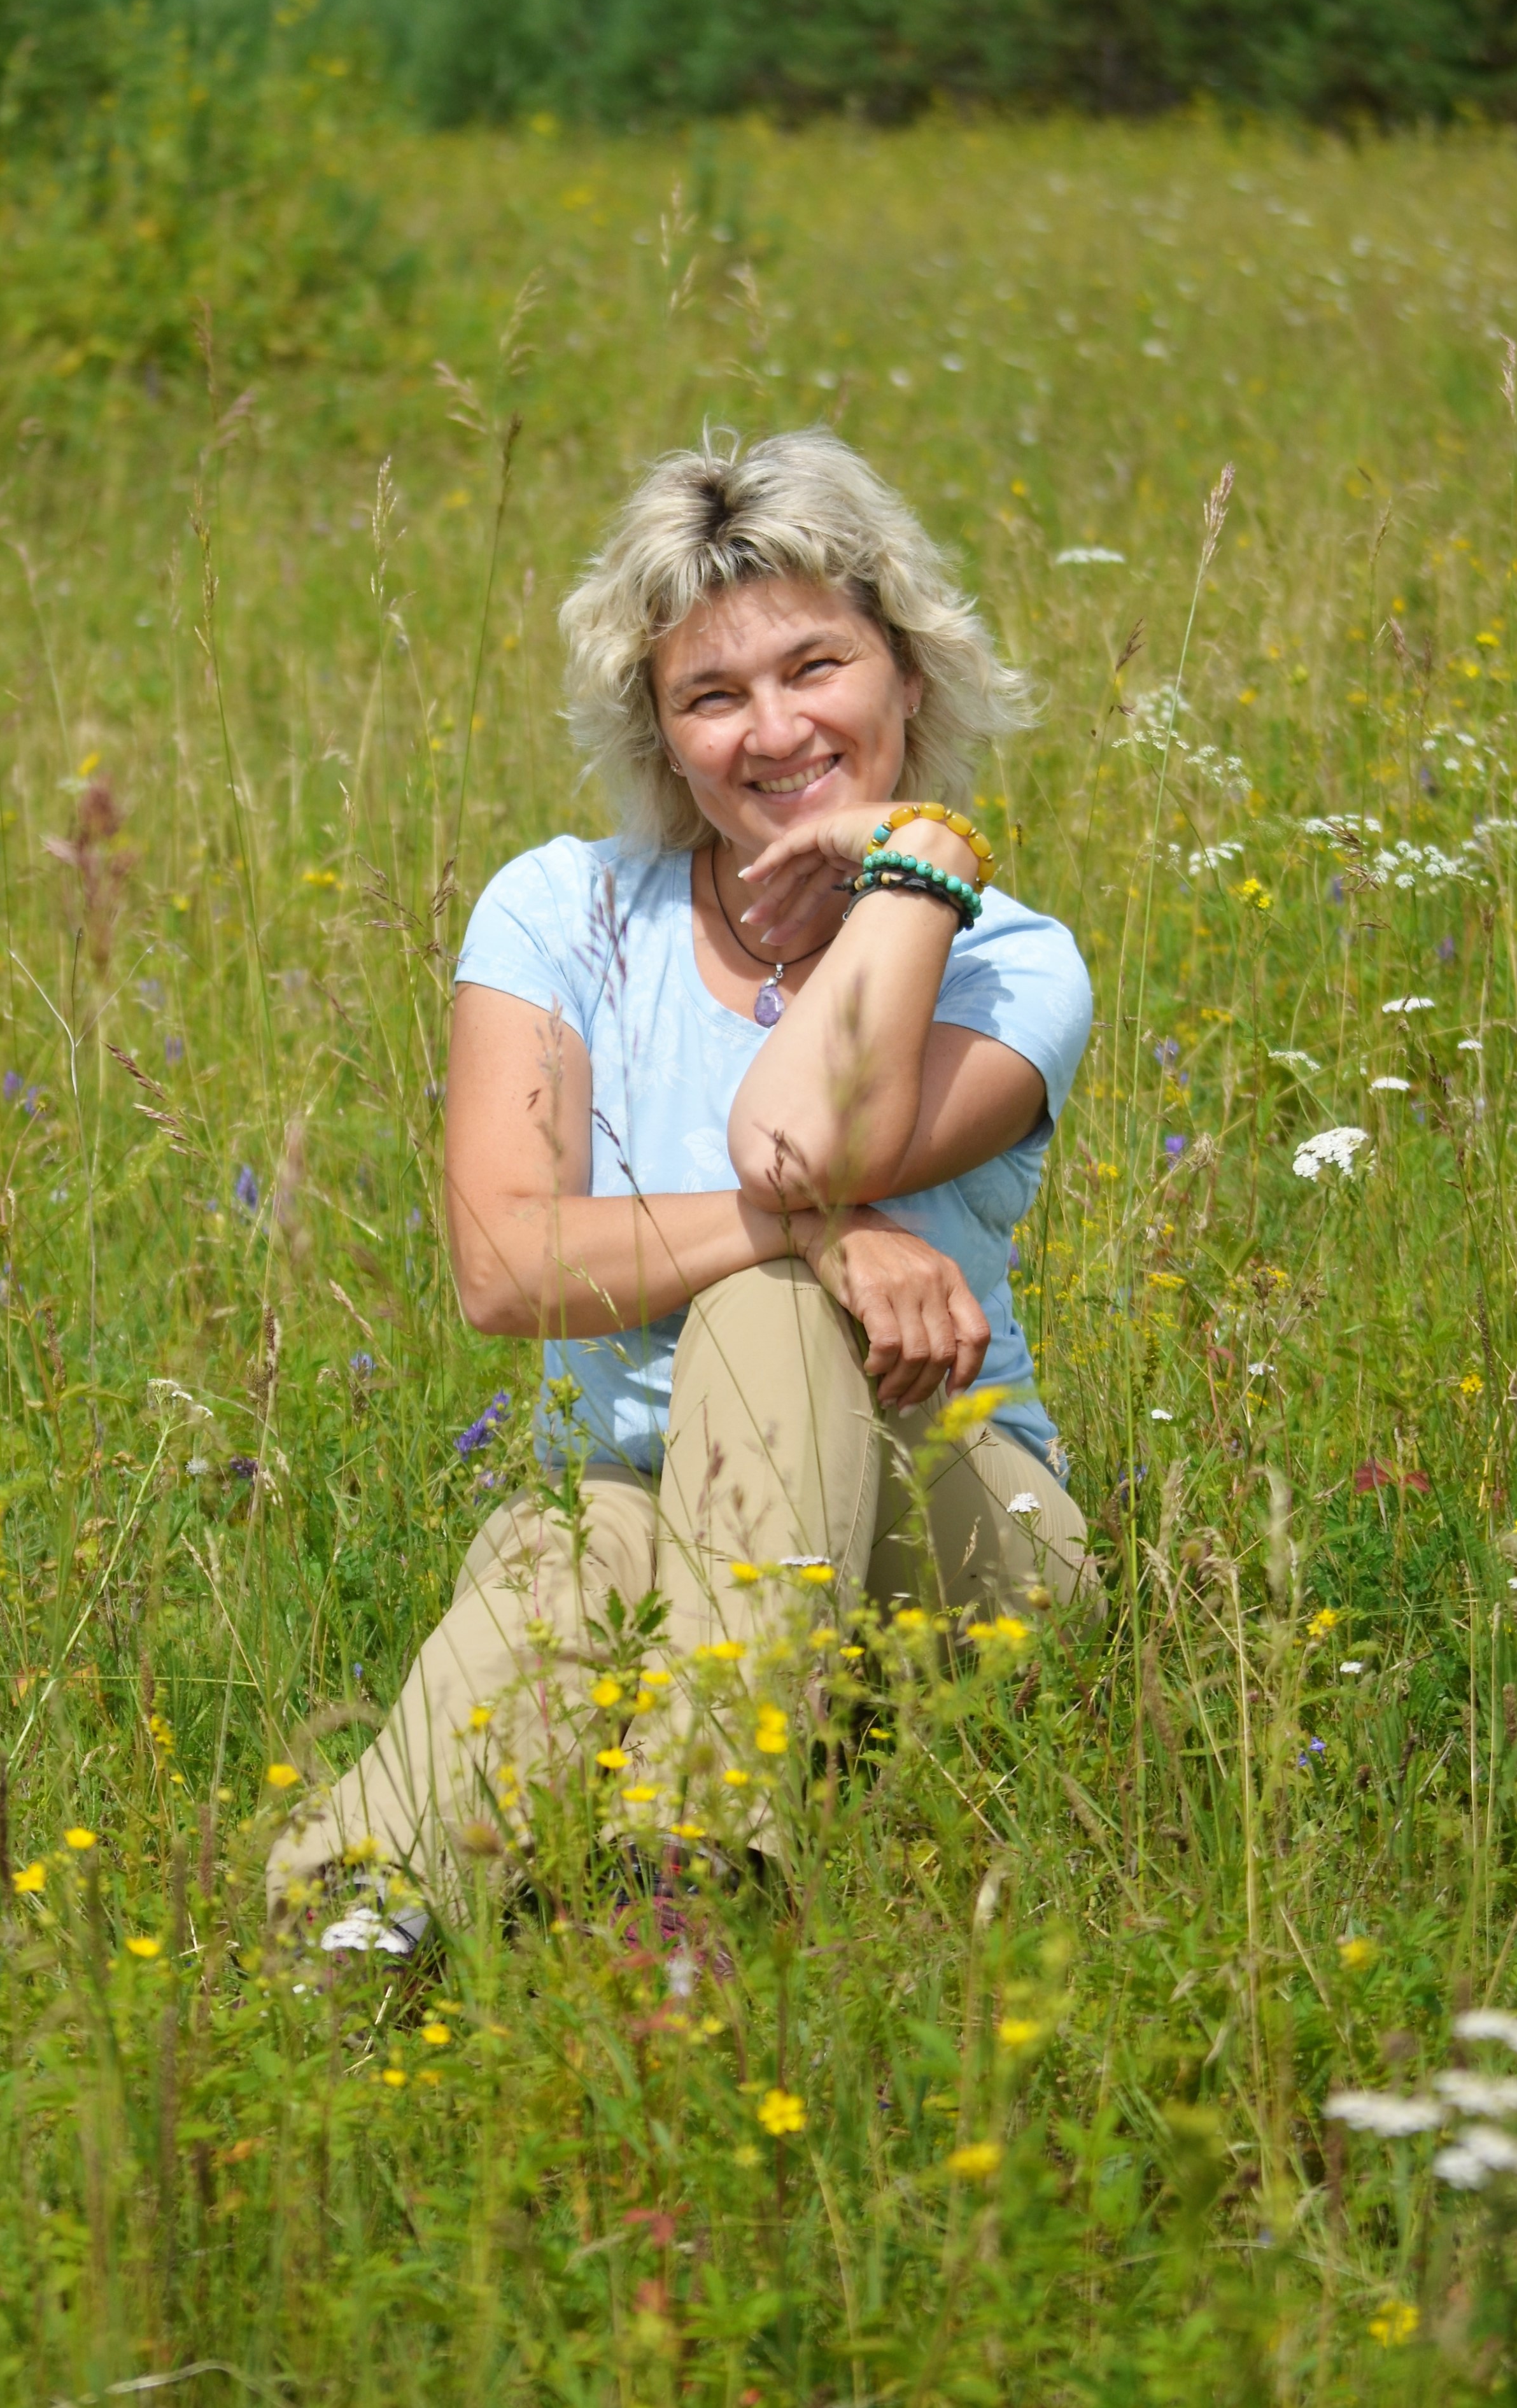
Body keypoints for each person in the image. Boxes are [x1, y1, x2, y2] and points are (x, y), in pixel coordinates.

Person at [269, 428, 1097, 1945]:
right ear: (661, 735)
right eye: (711, 695)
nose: (774, 731)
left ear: (908, 675)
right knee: (567, 1553)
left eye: (816, 667)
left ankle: (687, 1870)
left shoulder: (1004, 955)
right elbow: (507, 1270)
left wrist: (916, 856)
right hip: (645, 1527)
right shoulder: (562, 909)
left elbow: (798, 1148)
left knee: (776, 1310)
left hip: (952, 1551)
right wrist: (833, 1240)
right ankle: (357, 1925)